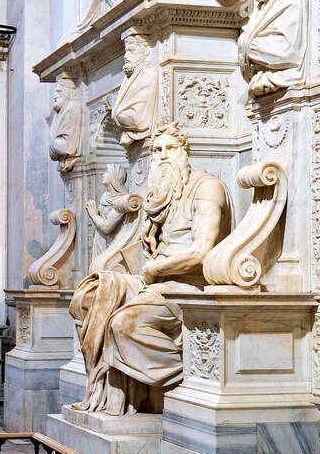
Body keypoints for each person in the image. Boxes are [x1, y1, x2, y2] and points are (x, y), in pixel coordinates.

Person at [69, 124, 230, 415]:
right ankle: (102, 390)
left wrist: (155, 268)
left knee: (123, 324)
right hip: (155, 284)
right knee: (87, 297)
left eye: (171, 149)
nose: (163, 156)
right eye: (157, 150)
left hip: (189, 289)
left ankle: (190, 375)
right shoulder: (161, 196)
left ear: (185, 153)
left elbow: (201, 252)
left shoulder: (207, 188)